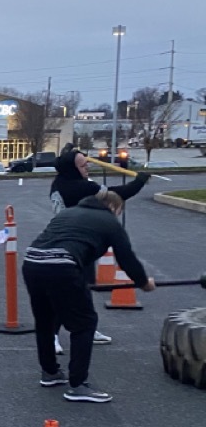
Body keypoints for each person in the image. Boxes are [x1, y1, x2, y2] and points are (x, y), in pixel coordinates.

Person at [22, 193, 155, 403]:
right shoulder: (109, 221)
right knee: (84, 324)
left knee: (45, 321)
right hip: (62, 265)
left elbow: (77, 246)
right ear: (112, 206)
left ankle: (50, 373)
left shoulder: (68, 213)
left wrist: (82, 282)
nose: (118, 215)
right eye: (119, 211)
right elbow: (126, 257)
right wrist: (144, 283)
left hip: (32, 262)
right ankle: (77, 385)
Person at [48, 149, 151, 353]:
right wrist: (139, 181)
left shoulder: (62, 182)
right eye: (82, 165)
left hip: (82, 245)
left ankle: (87, 328)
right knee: (64, 294)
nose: (87, 167)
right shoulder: (79, 187)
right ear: (72, 168)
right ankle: (52, 335)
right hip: (65, 246)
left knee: (85, 289)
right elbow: (117, 195)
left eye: (87, 163)